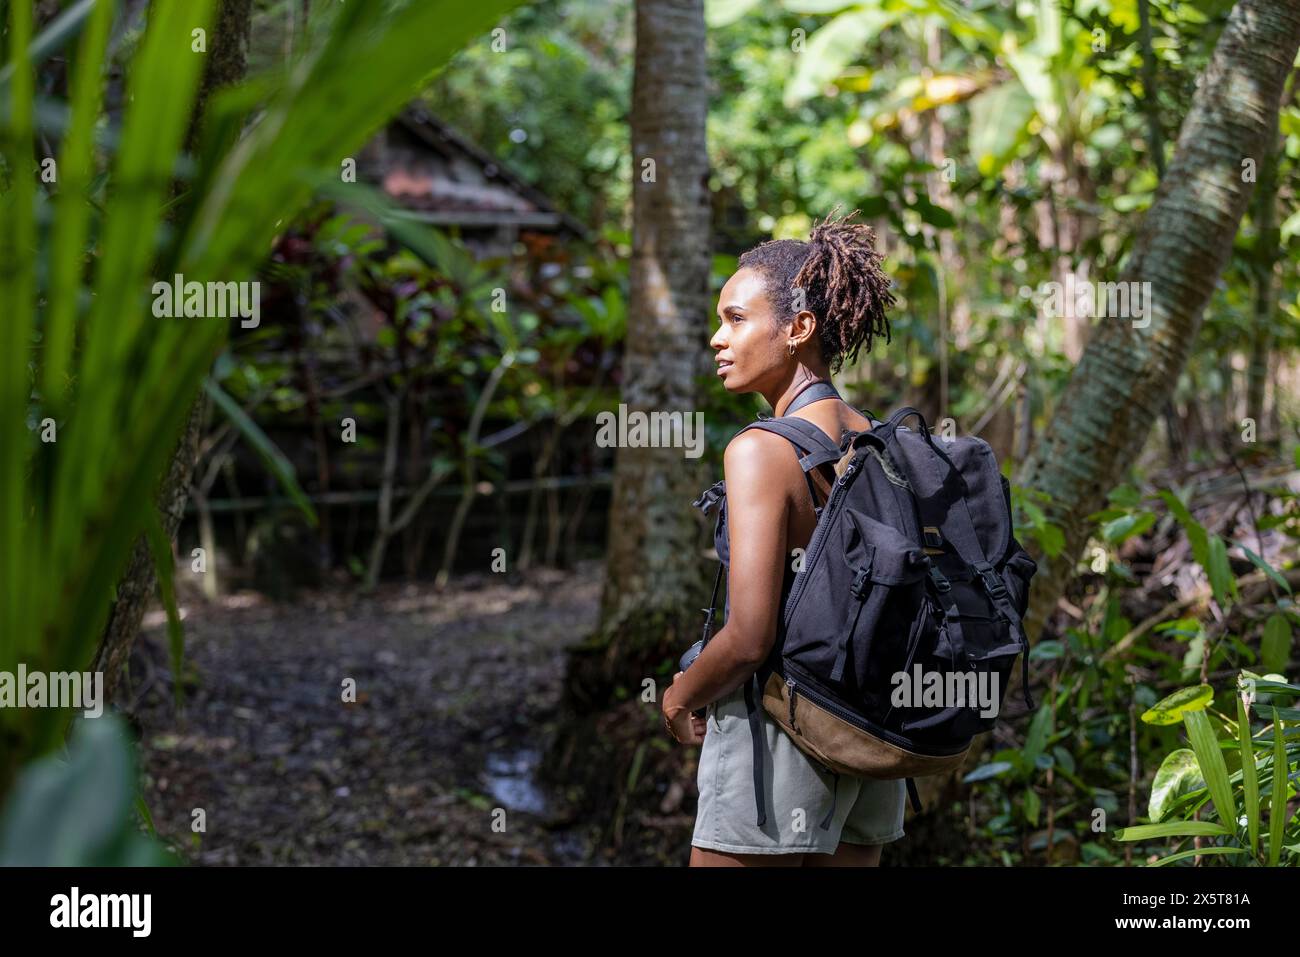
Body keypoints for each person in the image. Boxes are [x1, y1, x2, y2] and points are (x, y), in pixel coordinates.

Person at [660, 208, 905, 867]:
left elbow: (749, 637)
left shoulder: (758, 451)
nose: (717, 338)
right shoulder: (882, 439)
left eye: (736, 318)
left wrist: (681, 695)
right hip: (869, 733)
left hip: (780, 736)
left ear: (798, 327)